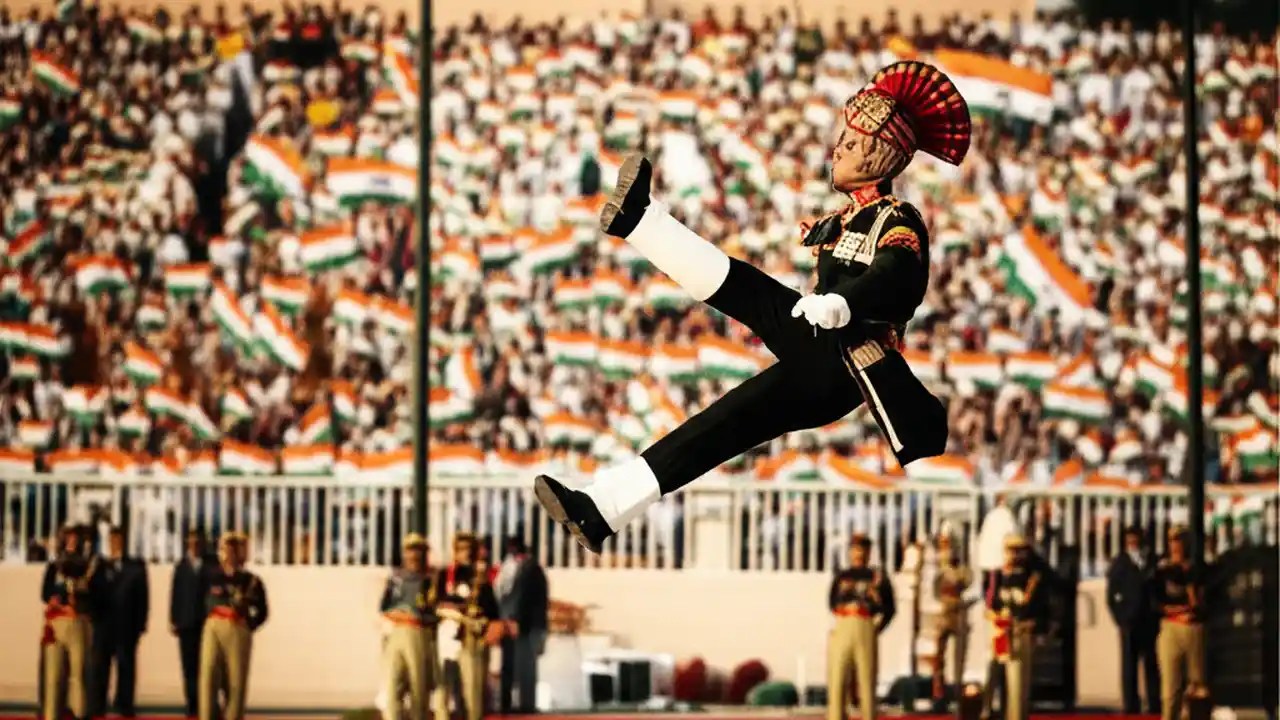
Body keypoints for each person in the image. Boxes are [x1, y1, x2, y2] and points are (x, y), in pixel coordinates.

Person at [533, 61, 972, 552]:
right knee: (734, 333)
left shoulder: (898, 217)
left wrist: (844, 303)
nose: (837, 150)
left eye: (850, 144)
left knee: (729, 385)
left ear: (878, 156)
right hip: (822, 343)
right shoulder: (849, 220)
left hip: (846, 362)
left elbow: (898, 272)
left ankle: (640, 221)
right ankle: (602, 509)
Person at [199, 532, 269, 720]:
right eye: (225, 549)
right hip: (213, 626)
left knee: (236, 683)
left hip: (237, 627)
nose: (229, 554)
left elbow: (262, 612)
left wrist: (247, 626)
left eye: (234, 549)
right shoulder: (211, 575)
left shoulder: (251, 581)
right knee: (208, 676)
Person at [827, 534, 895, 720]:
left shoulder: (877, 576)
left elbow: (889, 608)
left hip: (865, 623)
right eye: (855, 549)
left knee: (866, 683)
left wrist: (877, 628)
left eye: (862, 549)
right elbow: (832, 604)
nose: (858, 553)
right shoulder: (842, 576)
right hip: (844, 623)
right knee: (838, 681)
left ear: (869, 552)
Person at [40, 525, 102, 720]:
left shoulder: (87, 565)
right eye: (68, 537)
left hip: (77, 623)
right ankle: (51, 714)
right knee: (53, 677)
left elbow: (94, 593)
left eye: (75, 537)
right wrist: (54, 598)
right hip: (56, 623)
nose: (71, 541)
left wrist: (79, 598)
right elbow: (45, 592)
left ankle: (79, 713)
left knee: (78, 675)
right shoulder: (54, 565)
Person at [437, 533, 500, 720]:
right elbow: (435, 603)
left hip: (471, 639)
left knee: (472, 692)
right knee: (444, 692)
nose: (465, 553)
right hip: (446, 638)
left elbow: (491, 611)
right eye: (461, 549)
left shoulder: (480, 579)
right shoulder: (444, 575)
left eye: (469, 549)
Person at [379, 532, 442, 720]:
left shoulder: (430, 579)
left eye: (418, 551)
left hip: (419, 634)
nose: (413, 556)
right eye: (410, 550)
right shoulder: (396, 578)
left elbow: (433, 611)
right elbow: (384, 608)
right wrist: (403, 616)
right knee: (392, 687)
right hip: (396, 632)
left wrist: (417, 617)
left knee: (418, 691)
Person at [982, 534, 1044, 720]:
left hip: (1019, 632)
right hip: (998, 632)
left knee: (1018, 684)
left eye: (1019, 551)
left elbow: (1036, 608)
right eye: (1011, 550)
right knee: (990, 675)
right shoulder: (996, 576)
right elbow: (989, 605)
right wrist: (998, 619)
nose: (1015, 555)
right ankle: (985, 710)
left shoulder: (1031, 578)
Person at [90, 527, 150, 719]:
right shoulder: (99, 566)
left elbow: (143, 597)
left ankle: (125, 704)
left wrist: (140, 625)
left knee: (126, 667)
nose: (115, 543)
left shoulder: (135, 566)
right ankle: (99, 704)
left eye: (118, 539)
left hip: (126, 626)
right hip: (104, 625)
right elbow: (92, 593)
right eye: (112, 539)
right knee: (101, 667)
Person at [1106, 525, 1160, 715]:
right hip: (1129, 621)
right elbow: (1111, 595)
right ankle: (1131, 704)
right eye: (1130, 539)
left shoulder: (1153, 560)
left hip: (1149, 621)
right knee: (1129, 665)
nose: (1133, 543)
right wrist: (1121, 619)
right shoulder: (1119, 563)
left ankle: (1154, 702)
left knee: (1152, 664)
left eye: (1136, 538)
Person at [1153, 527, 1205, 720]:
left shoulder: (1195, 569)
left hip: (1193, 629)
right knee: (1170, 691)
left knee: (1196, 685)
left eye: (1179, 540)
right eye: (1172, 540)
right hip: (1171, 627)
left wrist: (1188, 578)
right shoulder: (1162, 570)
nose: (1176, 545)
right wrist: (1179, 610)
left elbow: (1197, 604)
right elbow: (1157, 604)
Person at [496, 536, 549, 714]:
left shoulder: (530, 569)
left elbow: (524, 599)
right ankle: (510, 703)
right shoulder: (516, 568)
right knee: (513, 666)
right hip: (514, 623)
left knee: (525, 666)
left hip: (525, 626)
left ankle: (526, 704)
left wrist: (515, 619)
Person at [171, 529, 213, 719]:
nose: (194, 545)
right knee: (188, 667)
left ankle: (206, 703)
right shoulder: (181, 566)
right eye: (191, 541)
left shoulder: (210, 565)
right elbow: (175, 594)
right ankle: (192, 704)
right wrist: (173, 619)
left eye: (198, 542)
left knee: (205, 666)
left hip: (205, 624)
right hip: (186, 623)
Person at [931, 531, 974, 706]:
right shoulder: (937, 571)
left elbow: (968, 586)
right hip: (942, 614)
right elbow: (934, 593)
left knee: (959, 655)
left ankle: (958, 689)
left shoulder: (964, 571)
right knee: (938, 655)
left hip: (959, 614)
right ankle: (938, 691)